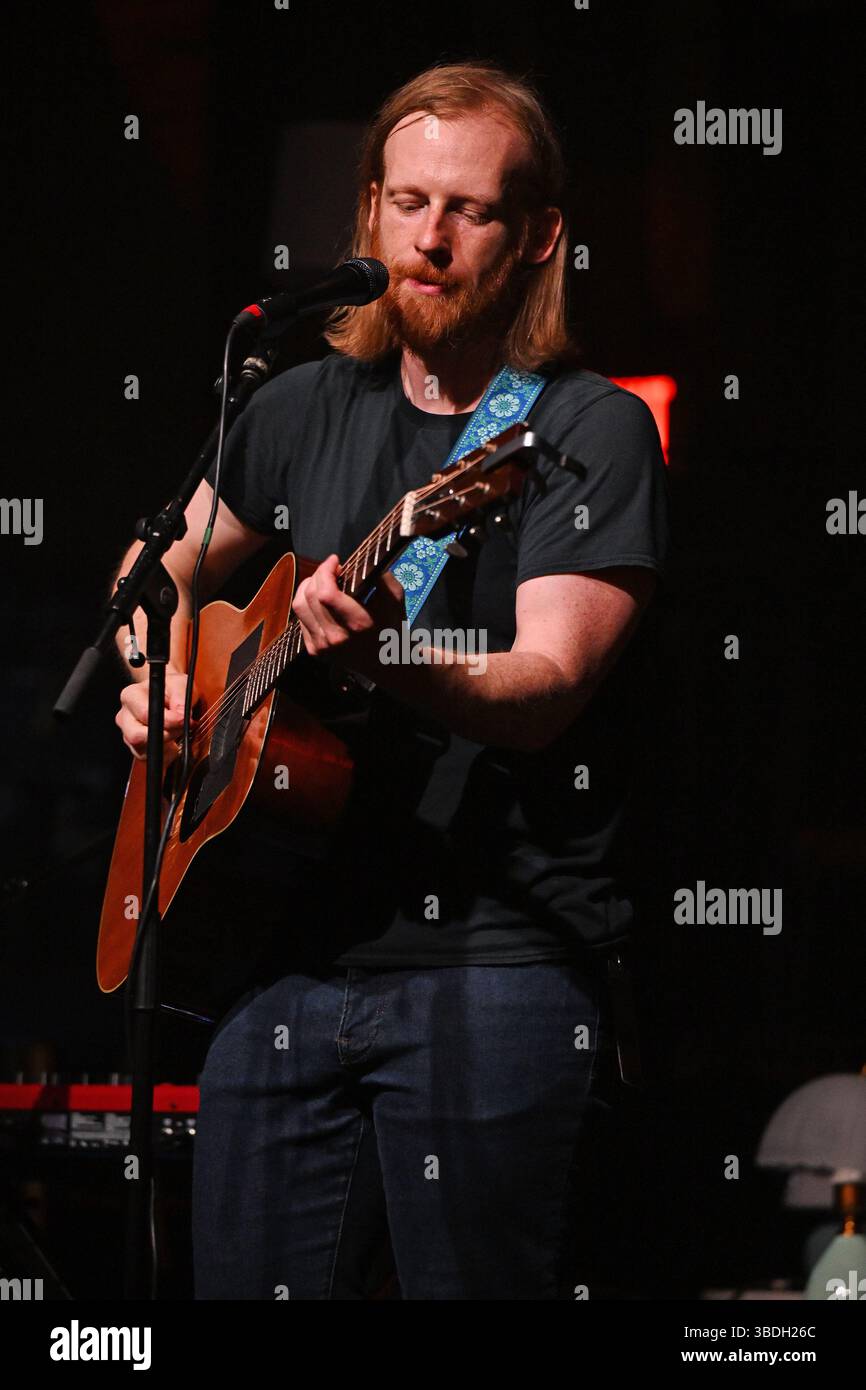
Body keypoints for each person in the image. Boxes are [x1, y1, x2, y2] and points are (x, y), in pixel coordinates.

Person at [114, 60, 669, 1299]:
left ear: (536, 238)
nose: (429, 238)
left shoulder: (579, 432)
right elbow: (150, 578)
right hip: (282, 967)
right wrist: (156, 676)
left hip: (498, 969)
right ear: (367, 211)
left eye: (467, 210)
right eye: (408, 202)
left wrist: (392, 659)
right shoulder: (297, 401)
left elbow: (544, 684)